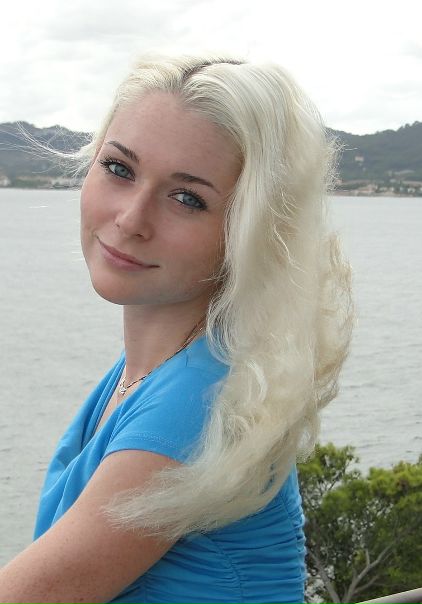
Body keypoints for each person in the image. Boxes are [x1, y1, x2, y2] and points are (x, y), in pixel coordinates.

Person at [0, 53, 353, 603]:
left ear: (250, 230)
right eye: (119, 168)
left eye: (187, 198)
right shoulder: (167, 370)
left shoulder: (195, 403)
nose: (131, 219)